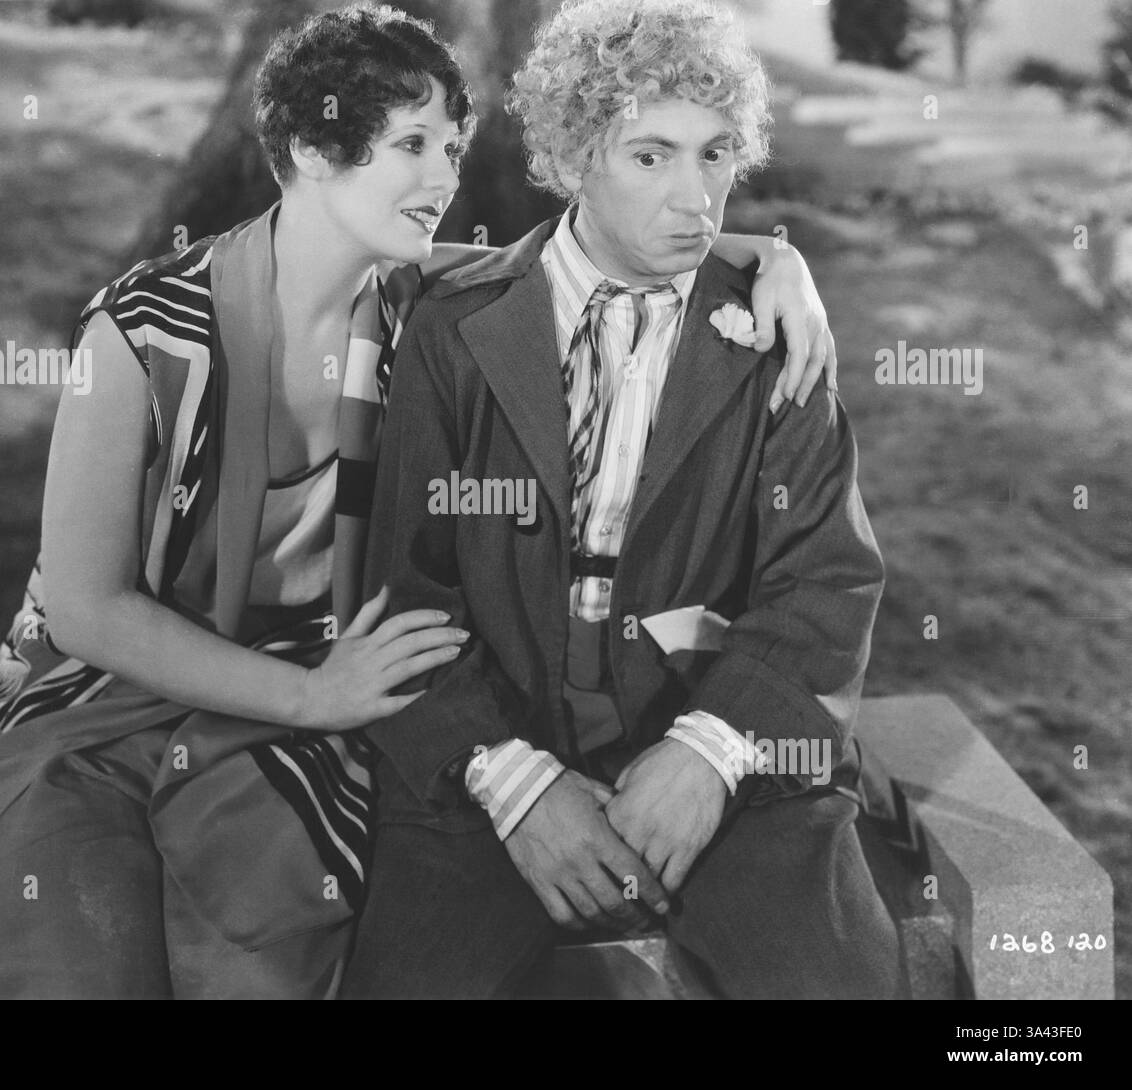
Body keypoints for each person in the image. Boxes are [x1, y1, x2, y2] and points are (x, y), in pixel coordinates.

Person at [0, 5, 838, 1000]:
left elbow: (601, 255)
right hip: (113, 700)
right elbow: (83, 607)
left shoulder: (425, 304)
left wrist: (775, 262)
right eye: (410, 145)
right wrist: (314, 697)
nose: (444, 180)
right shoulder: (139, 332)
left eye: (453, 147)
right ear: (307, 149)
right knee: (76, 951)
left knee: (255, 948)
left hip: (297, 710)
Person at [342, 0, 902, 1000]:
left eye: (717, 154)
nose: (697, 199)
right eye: (652, 157)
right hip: (490, 771)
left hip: (735, 765)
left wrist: (704, 754)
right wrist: (516, 783)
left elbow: (826, 580)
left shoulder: (775, 333)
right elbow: (406, 589)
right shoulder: (455, 332)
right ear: (574, 154)